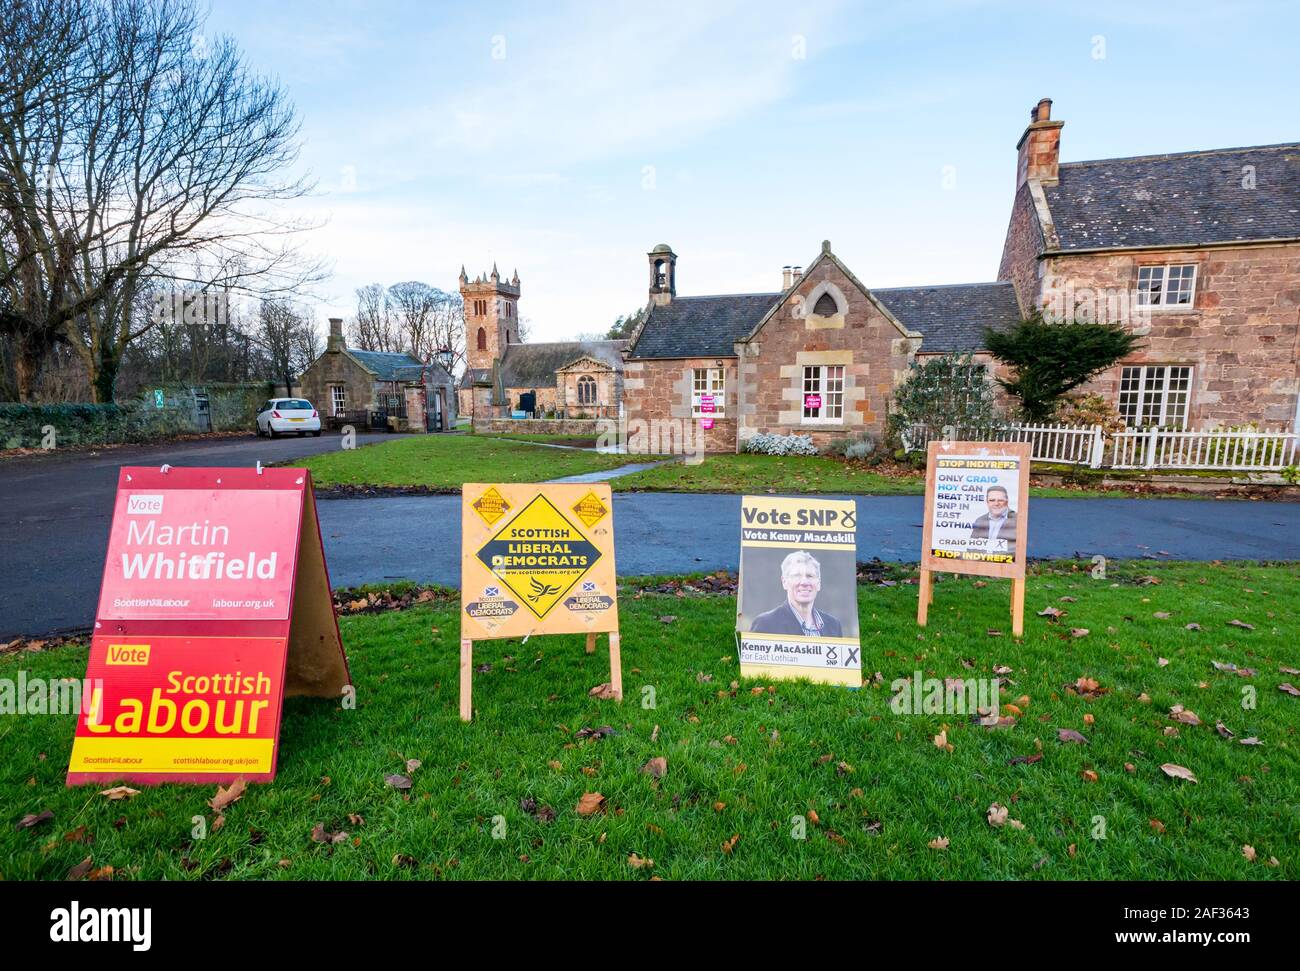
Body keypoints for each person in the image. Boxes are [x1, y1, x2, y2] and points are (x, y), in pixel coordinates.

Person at [749, 550, 843, 636]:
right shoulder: (765, 624)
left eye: (810, 576)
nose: (804, 582)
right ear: (784, 582)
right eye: (797, 576)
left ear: (818, 583)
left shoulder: (834, 625)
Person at [968, 484, 1018, 555]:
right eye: (992, 500)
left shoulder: (1017, 519)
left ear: (1007, 502)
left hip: (1006, 563)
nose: (996, 503)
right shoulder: (980, 520)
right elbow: (971, 547)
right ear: (987, 502)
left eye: (1000, 500)